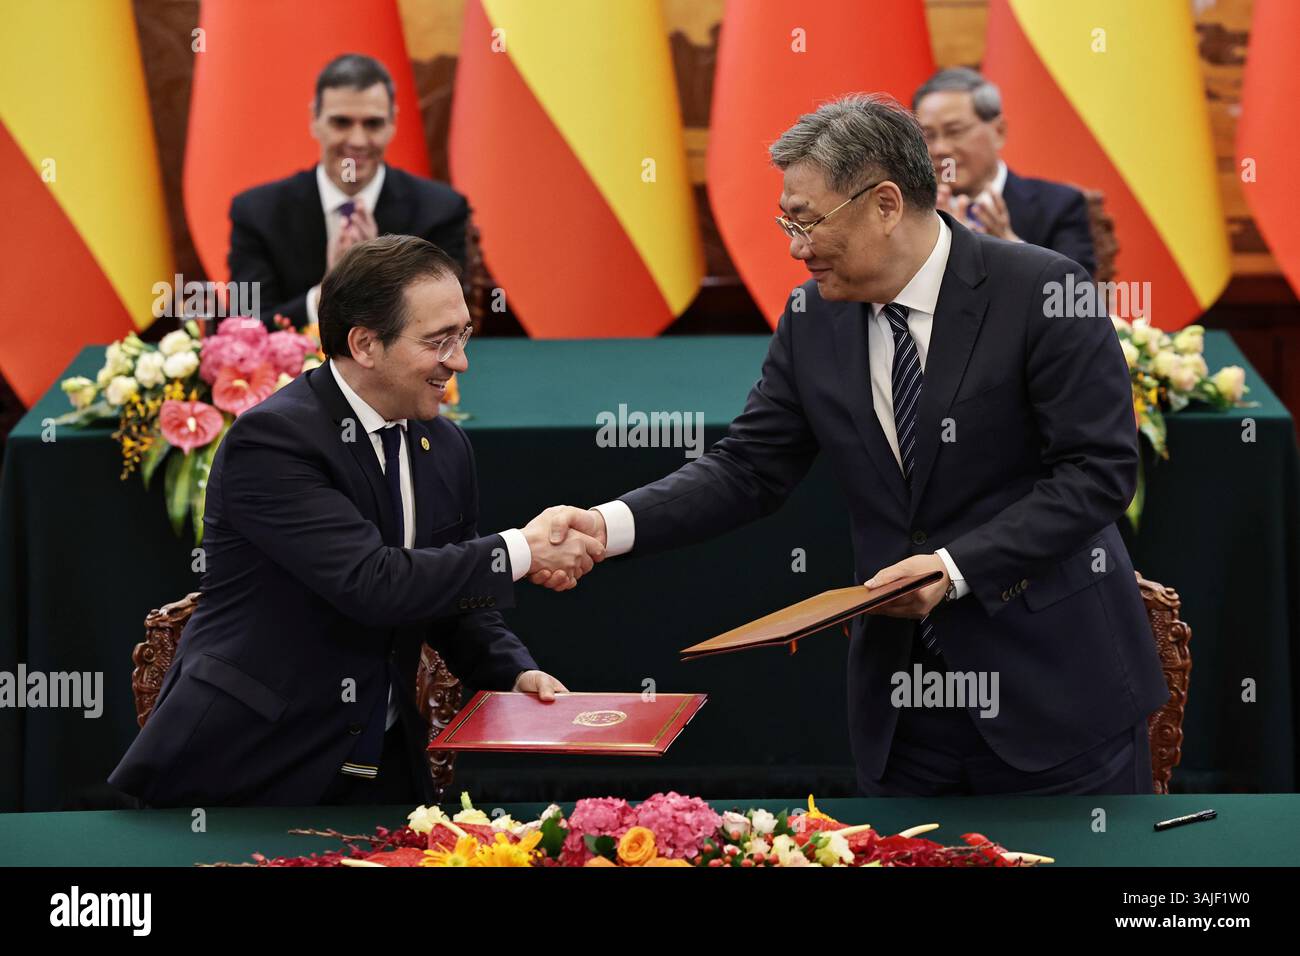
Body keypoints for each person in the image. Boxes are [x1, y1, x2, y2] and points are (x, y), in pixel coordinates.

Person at [535, 94, 1167, 797]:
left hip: (1055, 697)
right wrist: (606, 525)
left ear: (886, 204)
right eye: (787, 222)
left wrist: (955, 567)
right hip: (903, 718)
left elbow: (1098, 472)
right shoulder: (813, 318)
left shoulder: (1044, 291)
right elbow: (749, 466)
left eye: (805, 222)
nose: (794, 247)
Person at [109, 236, 603, 807]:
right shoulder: (273, 442)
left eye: (462, 334)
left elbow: (452, 596)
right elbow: (373, 584)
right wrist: (522, 550)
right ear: (365, 344)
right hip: (249, 764)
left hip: (383, 761)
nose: (460, 360)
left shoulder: (444, 447)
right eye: (439, 341)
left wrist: (516, 675)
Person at [228, 53, 469, 329]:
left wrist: (376, 275)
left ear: (392, 124)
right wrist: (329, 293)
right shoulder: (257, 212)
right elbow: (247, 327)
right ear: (314, 120)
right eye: (341, 123)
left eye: (373, 124)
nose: (357, 140)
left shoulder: (440, 211)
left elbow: (446, 322)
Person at [913, 67, 1097, 276]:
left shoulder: (1058, 205)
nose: (940, 149)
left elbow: (1076, 298)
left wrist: (1012, 248)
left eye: (954, 131)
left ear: (998, 131)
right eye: (928, 135)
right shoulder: (909, 208)